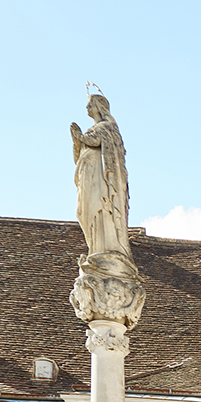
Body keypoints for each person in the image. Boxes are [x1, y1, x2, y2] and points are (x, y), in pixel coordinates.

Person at [71, 93, 137, 278]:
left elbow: (96, 142)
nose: (86, 108)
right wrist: (77, 141)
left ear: (99, 107)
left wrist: (80, 137)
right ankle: (95, 247)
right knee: (82, 212)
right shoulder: (94, 129)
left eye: (89, 105)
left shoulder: (106, 127)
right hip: (87, 178)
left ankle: (106, 246)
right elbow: (79, 155)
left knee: (100, 210)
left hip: (100, 181)